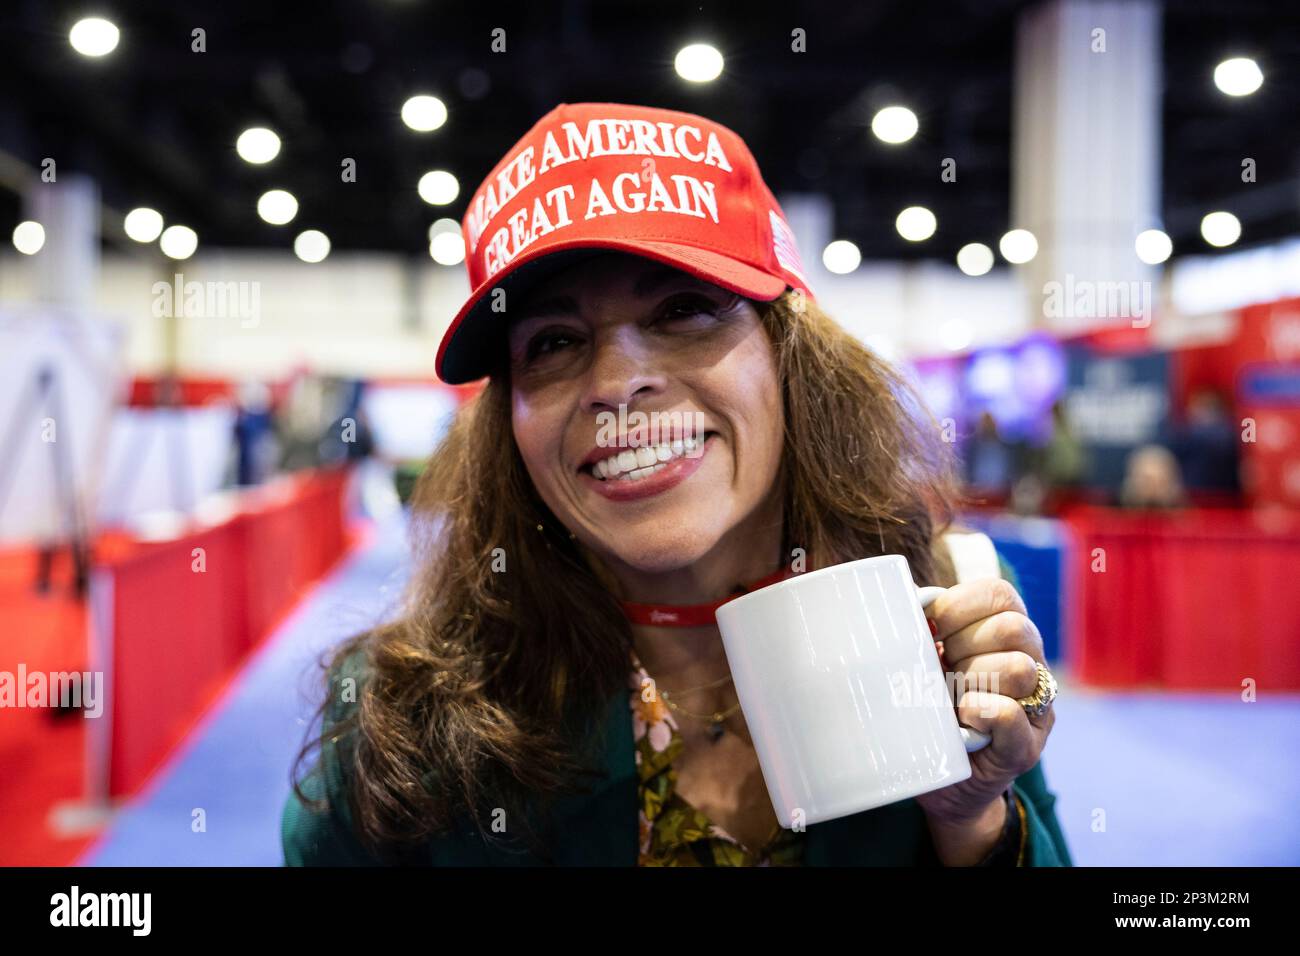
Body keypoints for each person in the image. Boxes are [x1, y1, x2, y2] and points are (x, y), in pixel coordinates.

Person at [282, 102, 1070, 867]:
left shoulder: (939, 596)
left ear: (789, 351)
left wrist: (972, 822)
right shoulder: (398, 724)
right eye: (553, 342)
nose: (617, 384)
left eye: (684, 309)